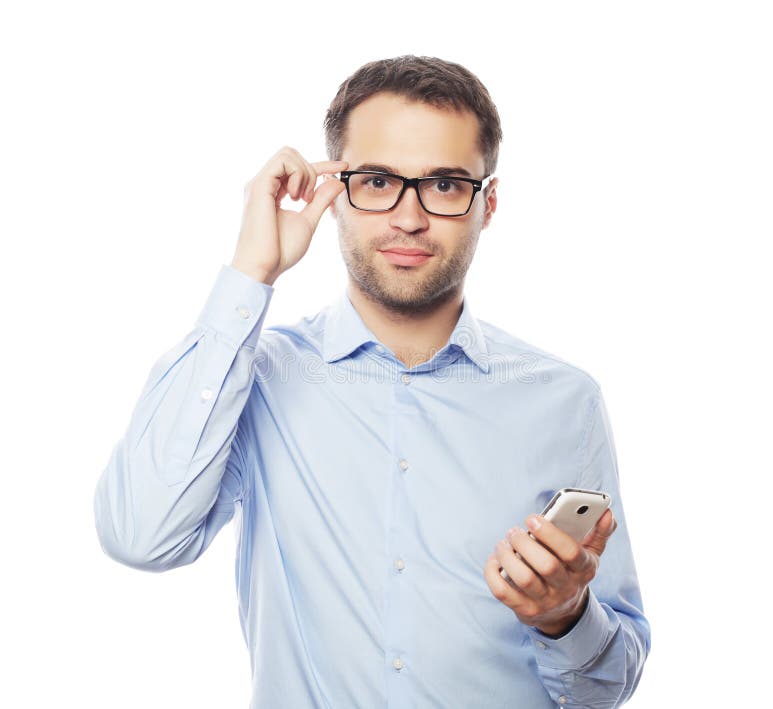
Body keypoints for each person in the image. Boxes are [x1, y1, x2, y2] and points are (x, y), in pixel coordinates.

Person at [93, 55, 650, 708]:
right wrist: (252, 271)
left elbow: (606, 688)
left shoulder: (565, 401)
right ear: (334, 191)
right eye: (379, 180)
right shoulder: (260, 378)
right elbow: (140, 534)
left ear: (487, 203)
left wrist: (564, 615)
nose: (408, 218)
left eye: (443, 185)